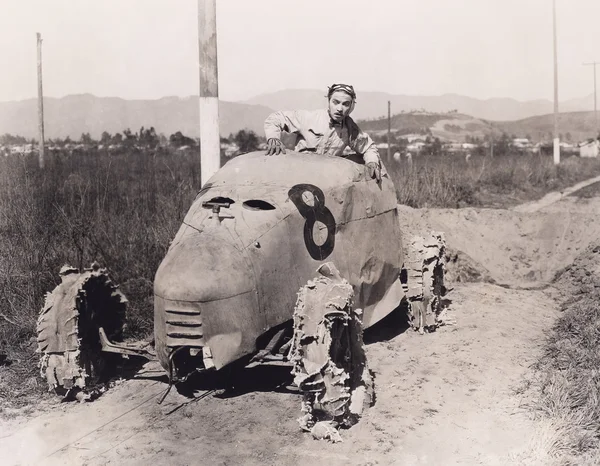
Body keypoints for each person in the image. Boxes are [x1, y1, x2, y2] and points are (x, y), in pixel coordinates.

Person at [263, 83, 383, 182]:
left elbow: (369, 147)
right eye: (335, 102)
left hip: (326, 181)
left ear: (351, 107)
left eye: (345, 104)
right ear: (329, 101)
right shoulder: (309, 118)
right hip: (298, 176)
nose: (340, 109)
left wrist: (372, 161)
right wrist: (273, 138)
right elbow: (275, 118)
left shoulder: (350, 129)